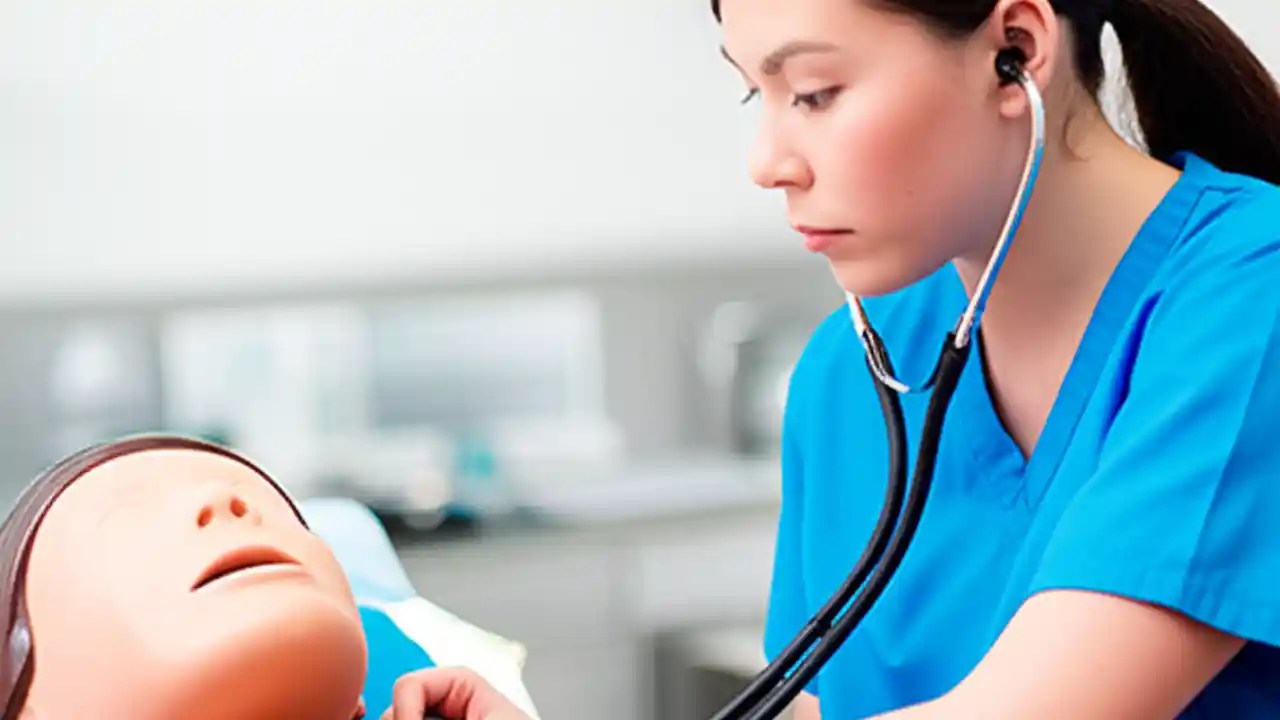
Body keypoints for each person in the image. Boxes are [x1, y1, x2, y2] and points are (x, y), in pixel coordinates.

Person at [388, 0, 1280, 717]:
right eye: (758, 96)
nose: (768, 162)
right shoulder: (846, 378)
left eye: (813, 92)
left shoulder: (1251, 295)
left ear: (1015, 50)